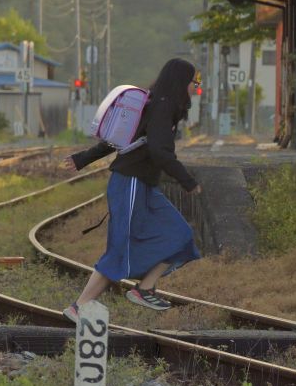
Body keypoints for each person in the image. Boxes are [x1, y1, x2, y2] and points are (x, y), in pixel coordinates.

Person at [60, 57, 202, 322]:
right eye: (195, 81)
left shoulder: (161, 106)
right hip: (130, 183)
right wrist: (188, 181)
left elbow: (123, 139)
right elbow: (159, 151)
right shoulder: (161, 107)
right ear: (180, 80)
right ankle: (79, 307)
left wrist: (82, 159)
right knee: (120, 248)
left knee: (181, 234)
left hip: (144, 185)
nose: (196, 87)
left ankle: (145, 288)